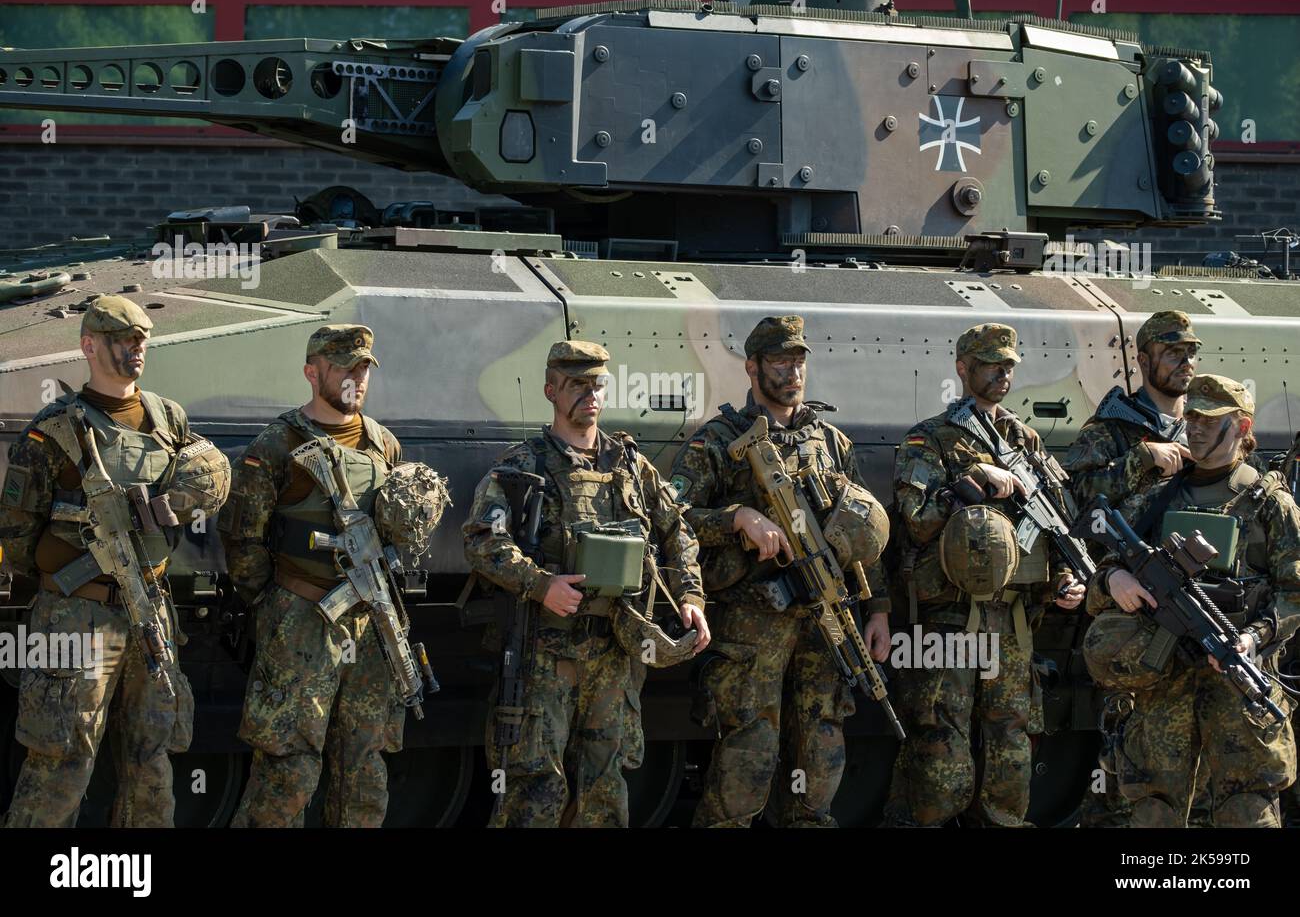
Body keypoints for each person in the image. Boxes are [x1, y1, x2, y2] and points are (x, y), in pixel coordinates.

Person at [463, 340, 709, 827]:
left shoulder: (630, 466)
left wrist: (690, 595)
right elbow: (483, 542)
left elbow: (677, 529)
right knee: (534, 784)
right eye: (577, 385)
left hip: (616, 651)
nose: (590, 395)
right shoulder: (523, 465)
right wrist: (540, 584)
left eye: (597, 385)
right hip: (546, 652)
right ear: (551, 390)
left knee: (606, 785)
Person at [1, 295, 226, 826]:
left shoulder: (168, 418)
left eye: (142, 339)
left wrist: (167, 506)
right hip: (76, 617)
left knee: (152, 766)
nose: (136, 348)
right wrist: (70, 578)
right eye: (124, 339)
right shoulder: (52, 429)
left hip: (150, 607)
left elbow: (210, 474)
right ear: (89, 345)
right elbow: (15, 531)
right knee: (61, 763)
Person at [669, 315, 892, 827]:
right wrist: (737, 518)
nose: (793, 372)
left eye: (799, 361)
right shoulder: (719, 439)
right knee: (747, 756)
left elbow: (863, 537)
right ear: (752, 367)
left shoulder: (832, 442)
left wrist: (877, 610)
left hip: (825, 621)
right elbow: (672, 517)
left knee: (821, 750)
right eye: (779, 361)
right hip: (751, 623)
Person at [886, 323, 1085, 826]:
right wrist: (970, 482)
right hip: (949, 620)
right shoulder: (928, 438)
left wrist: (1065, 575)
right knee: (939, 742)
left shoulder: (1025, 439)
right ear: (963, 369)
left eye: (1010, 365)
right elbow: (916, 520)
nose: (1003, 373)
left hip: (1014, 619)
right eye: (992, 364)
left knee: (1011, 744)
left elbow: (1057, 519)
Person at [1088, 374, 1299, 827]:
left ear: (1241, 429)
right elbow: (1100, 565)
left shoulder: (1269, 503)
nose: (1196, 428)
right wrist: (1115, 580)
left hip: (1237, 682)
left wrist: (1254, 637)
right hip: (1163, 682)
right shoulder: (1157, 497)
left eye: (1211, 419)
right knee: (1153, 807)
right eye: (1194, 417)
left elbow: (1294, 593)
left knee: (1248, 807)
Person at [220, 324, 410, 827]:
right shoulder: (277, 445)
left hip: (370, 626)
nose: (356, 378)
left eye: (363, 368)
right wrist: (279, 606)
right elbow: (242, 540)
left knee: (363, 771)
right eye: (344, 367)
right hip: (301, 620)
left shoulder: (384, 445)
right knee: (288, 772)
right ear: (312, 371)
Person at [1060, 310, 1199, 826]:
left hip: (1196, 605)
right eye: (1172, 353)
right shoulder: (1111, 429)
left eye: (1189, 352)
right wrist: (1141, 460)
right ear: (1142, 360)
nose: (1185, 362)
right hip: (1131, 609)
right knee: (1126, 752)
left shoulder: (1204, 423)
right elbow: (1074, 501)